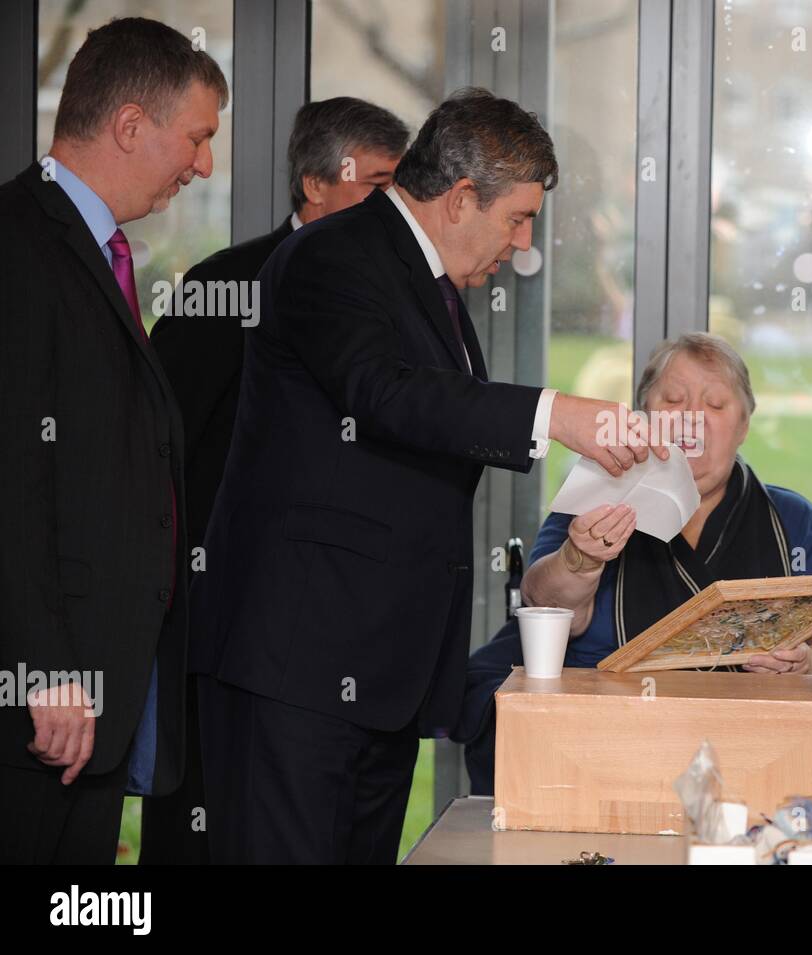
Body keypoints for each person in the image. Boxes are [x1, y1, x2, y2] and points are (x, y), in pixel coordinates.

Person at [190, 87, 665, 864]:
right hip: (297, 662)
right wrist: (556, 413)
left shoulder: (425, 277)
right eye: (516, 218)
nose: (523, 242)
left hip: (380, 668)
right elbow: (384, 393)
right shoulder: (330, 254)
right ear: (460, 196)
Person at [141, 97, 409, 865]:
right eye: (379, 182)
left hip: (353, 637)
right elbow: (163, 454)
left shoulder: (405, 301)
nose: (395, 203)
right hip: (227, 628)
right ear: (315, 183)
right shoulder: (224, 287)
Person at [456, 332, 812, 794]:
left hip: (752, 749)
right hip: (605, 744)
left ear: (744, 425)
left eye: (716, 405)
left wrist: (809, 661)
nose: (693, 420)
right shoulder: (595, 504)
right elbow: (548, 606)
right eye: (674, 401)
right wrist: (580, 559)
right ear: (643, 418)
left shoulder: (793, 521)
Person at [0, 17, 227, 864]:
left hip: (97, 700)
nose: (203, 165)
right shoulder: (19, 246)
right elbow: (13, 479)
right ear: (132, 126)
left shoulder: (99, 251)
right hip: (46, 702)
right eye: (198, 137)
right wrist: (46, 671)